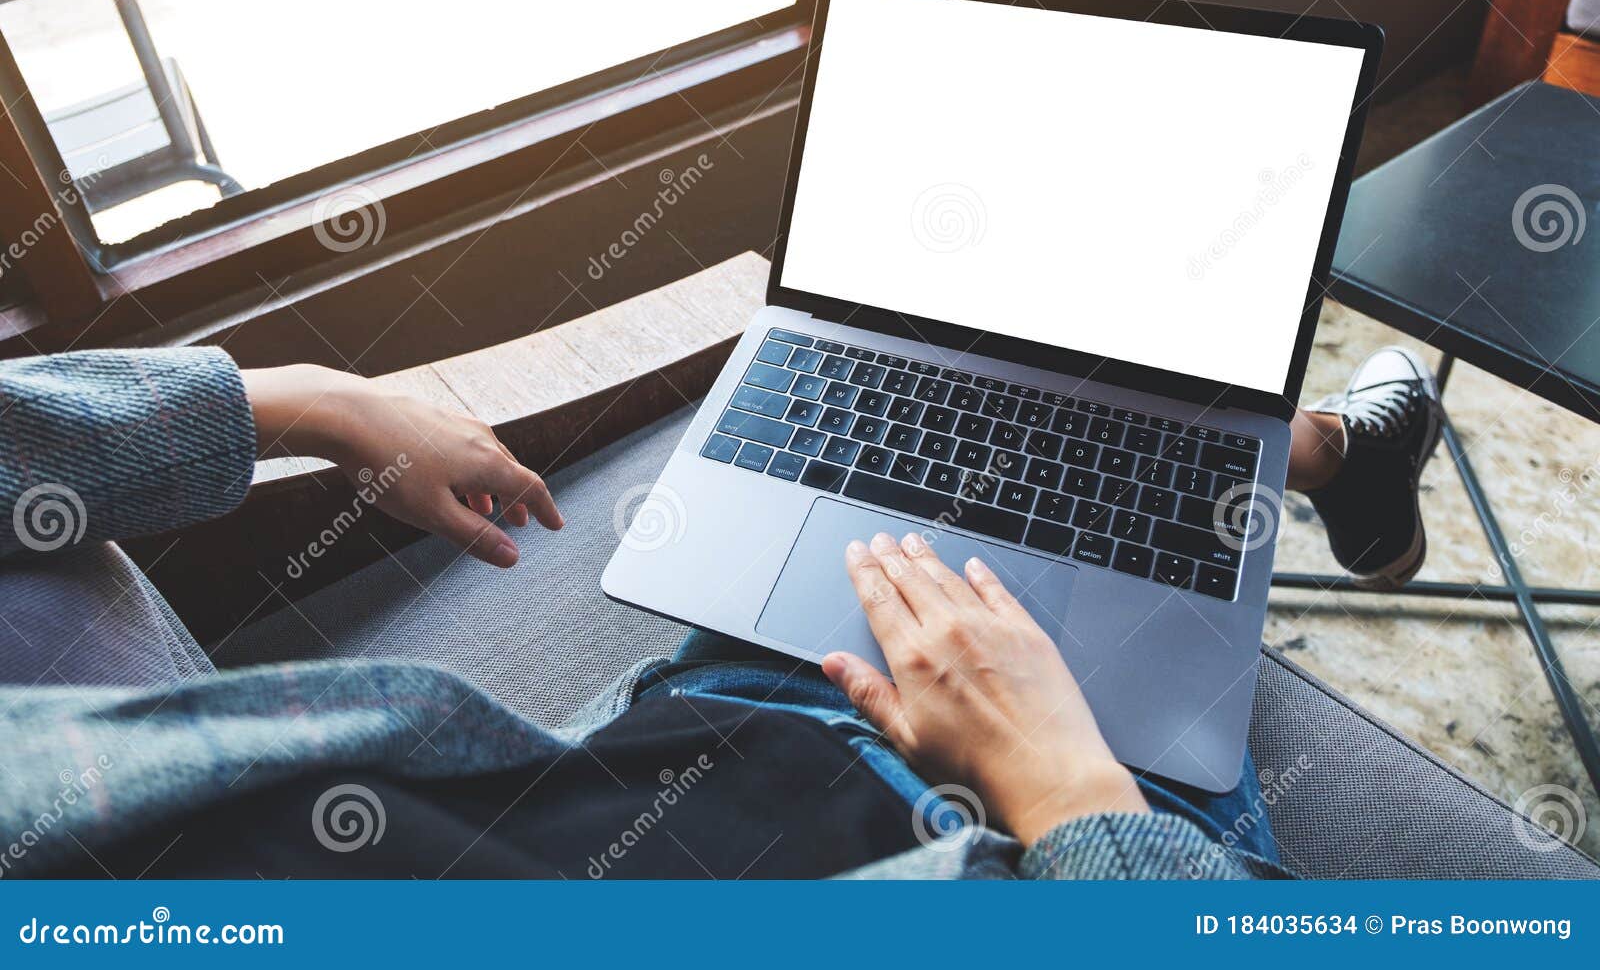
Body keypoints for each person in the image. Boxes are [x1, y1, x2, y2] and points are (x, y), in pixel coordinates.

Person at [0, 342, 1442, 879]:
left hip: (695, 733)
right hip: (1026, 831)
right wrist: (1065, 786)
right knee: (1068, 457)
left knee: (956, 386)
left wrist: (311, 399)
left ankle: (1311, 446)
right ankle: (1320, 450)